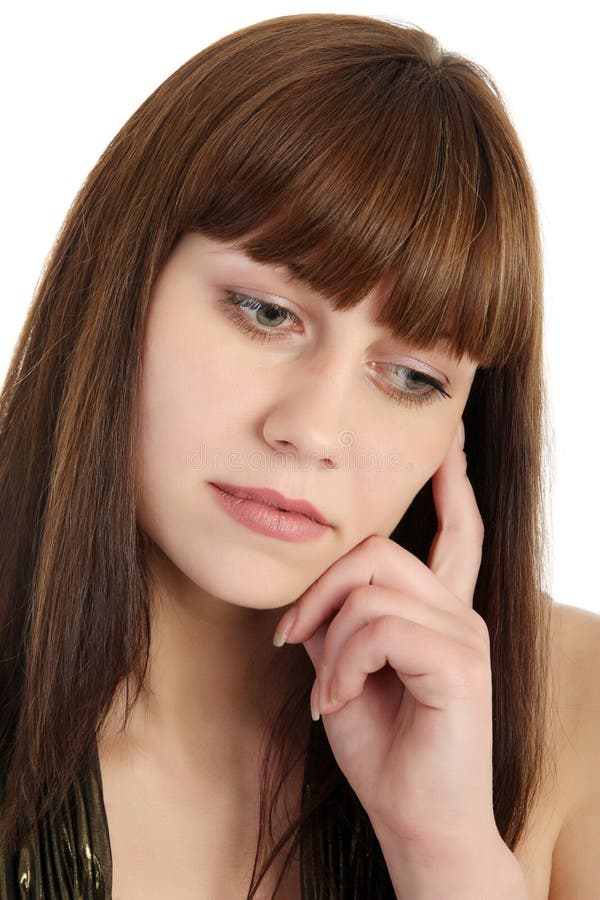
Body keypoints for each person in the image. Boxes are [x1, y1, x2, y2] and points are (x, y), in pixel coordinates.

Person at [0, 11, 598, 899]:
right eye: (266, 314)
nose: (314, 431)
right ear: (123, 289)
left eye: (408, 377)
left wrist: (446, 851)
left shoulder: (575, 709)